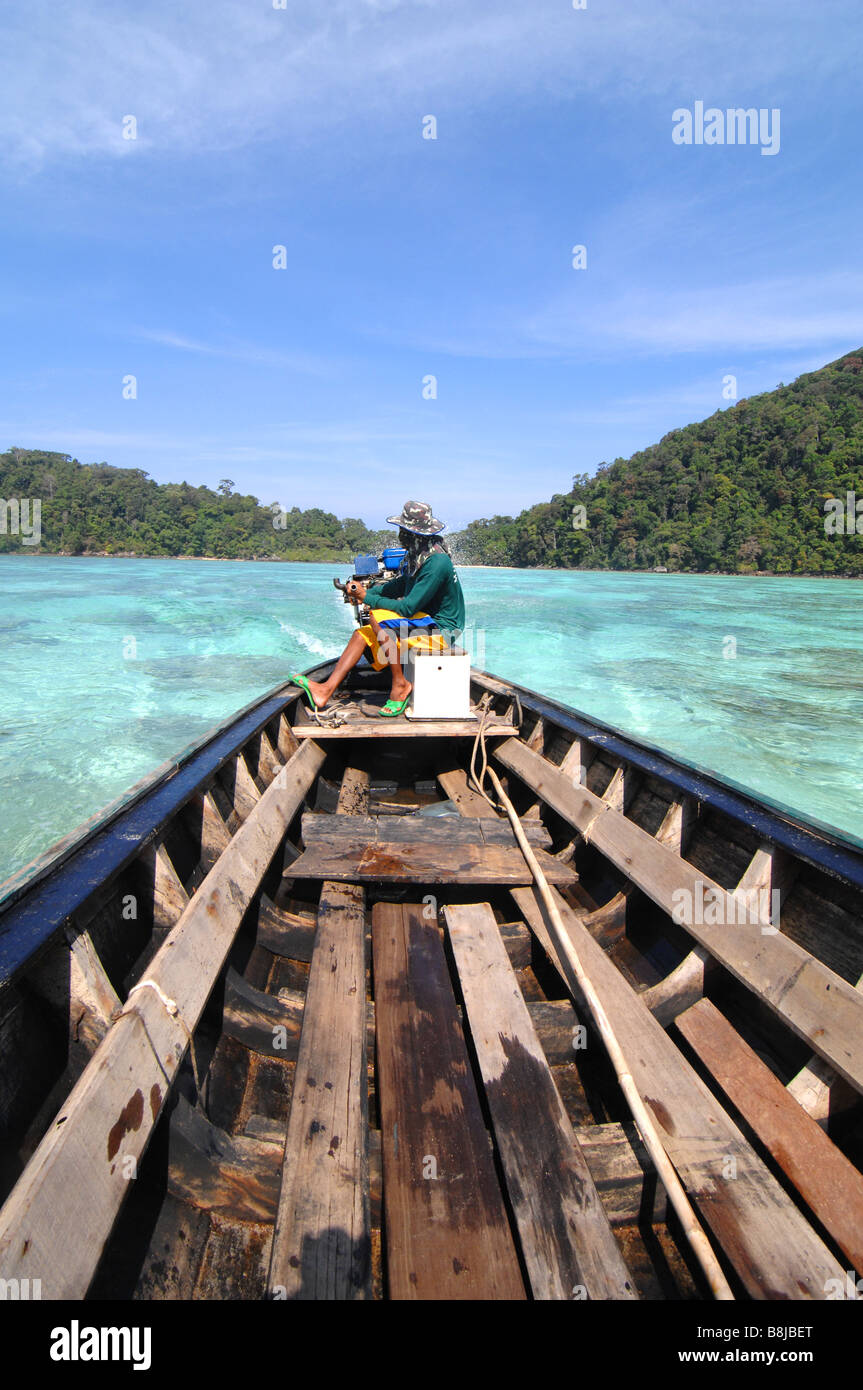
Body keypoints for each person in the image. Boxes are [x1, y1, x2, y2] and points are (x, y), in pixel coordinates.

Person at [291, 500, 465, 717]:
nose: (400, 534)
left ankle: (400, 685)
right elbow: (398, 586)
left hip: (443, 629)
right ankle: (325, 690)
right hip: (424, 619)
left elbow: (408, 607)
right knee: (362, 634)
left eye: (404, 529)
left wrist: (366, 598)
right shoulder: (417, 555)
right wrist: (366, 591)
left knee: (378, 619)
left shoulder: (436, 562)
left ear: (414, 533)